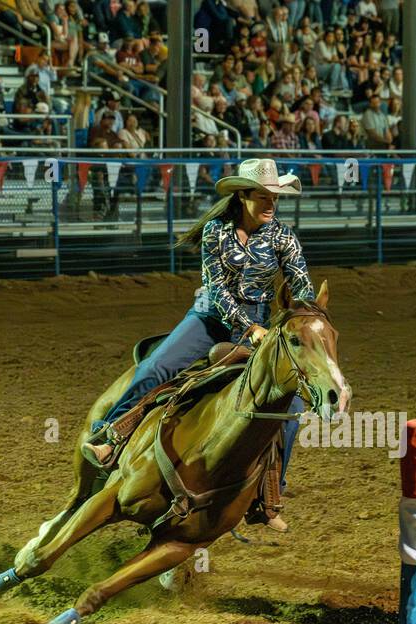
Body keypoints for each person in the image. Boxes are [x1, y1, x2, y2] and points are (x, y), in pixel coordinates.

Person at [82, 158, 314, 532]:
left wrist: (305, 313)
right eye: (263, 197)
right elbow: (218, 290)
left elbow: (300, 280)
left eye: (275, 197)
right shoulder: (215, 232)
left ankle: (270, 495)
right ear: (242, 196)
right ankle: (111, 436)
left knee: (292, 407)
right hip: (208, 319)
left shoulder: (284, 237)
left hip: (257, 325)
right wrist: (249, 328)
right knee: (156, 368)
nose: (271, 204)